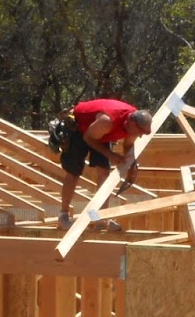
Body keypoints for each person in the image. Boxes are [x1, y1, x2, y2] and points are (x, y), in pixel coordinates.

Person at [58, 98, 153, 228]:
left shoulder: (134, 124)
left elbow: (128, 145)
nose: (140, 136)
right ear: (131, 123)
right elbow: (88, 138)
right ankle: (63, 215)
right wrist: (110, 155)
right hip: (80, 129)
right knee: (74, 171)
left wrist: (132, 164)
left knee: (104, 172)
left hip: (100, 134)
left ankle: (101, 217)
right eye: (140, 132)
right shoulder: (107, 121)